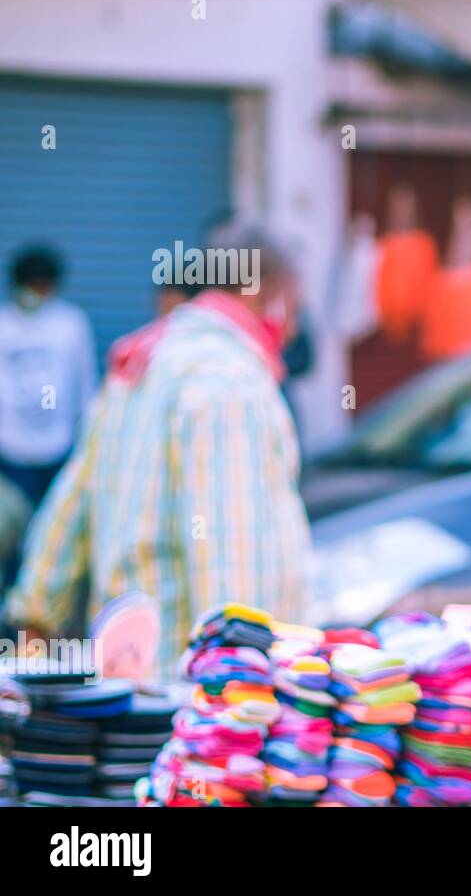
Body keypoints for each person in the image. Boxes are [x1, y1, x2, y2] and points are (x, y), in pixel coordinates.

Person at [3, 222, 312, 680]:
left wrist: (35, 618)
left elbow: (69, 509)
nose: (294, 328)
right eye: (297, 309)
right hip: (195, 705)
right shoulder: (229, 381)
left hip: (126, 692)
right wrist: (242, 704)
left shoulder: (139, 363)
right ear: (271, 296)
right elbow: (234, 565)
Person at [0, 245, 98, 508]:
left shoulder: (71, 323)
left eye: (46, 286)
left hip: (60, 447)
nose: (41, 293)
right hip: (10, 450)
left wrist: (86, 437)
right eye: (35, 285)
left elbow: (86, 383)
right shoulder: (3, 324)